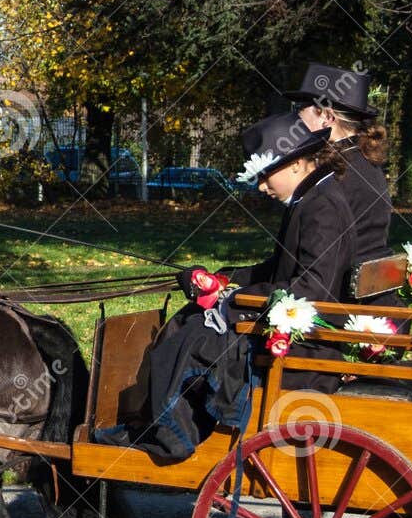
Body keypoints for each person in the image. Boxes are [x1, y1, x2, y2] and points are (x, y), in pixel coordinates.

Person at [93, 114, 356, 461]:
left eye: (265, 176)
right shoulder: (311, 199)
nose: (262, 187)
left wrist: (232, 302)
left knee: (194, 337)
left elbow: (311, 288)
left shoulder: (321, 208)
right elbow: (279, 269)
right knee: (190, 319)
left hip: (308, 351)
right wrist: (226, 278)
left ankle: (174, 436)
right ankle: (161, 421)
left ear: (294, 165)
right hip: (300, 331)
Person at [284, 62, 394, 268]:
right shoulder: (365, 162)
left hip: (332, 294)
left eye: (300, 108)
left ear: (326, 116)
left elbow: (307, 269)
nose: (295, 117)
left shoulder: (333, 174)